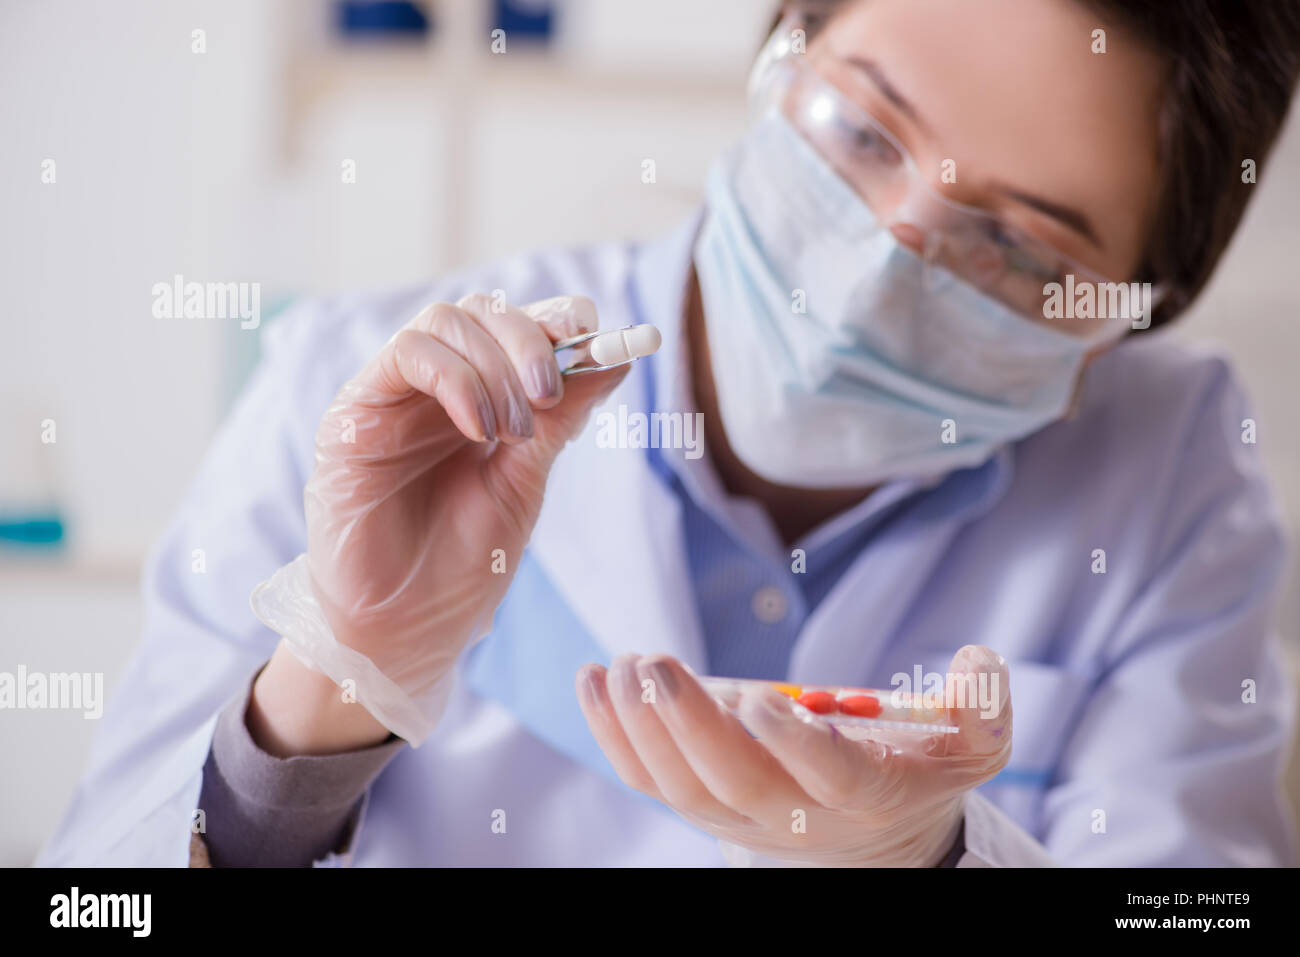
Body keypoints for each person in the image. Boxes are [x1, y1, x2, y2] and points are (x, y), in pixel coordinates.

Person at [41, 0, 1300, 867]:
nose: (869, 276)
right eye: (860, 130)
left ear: (1134, 312)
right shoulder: (359, 389)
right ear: (774, 60)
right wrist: (329, 685)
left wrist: (926, 861)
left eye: (1019, 246)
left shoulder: (1172, 473)